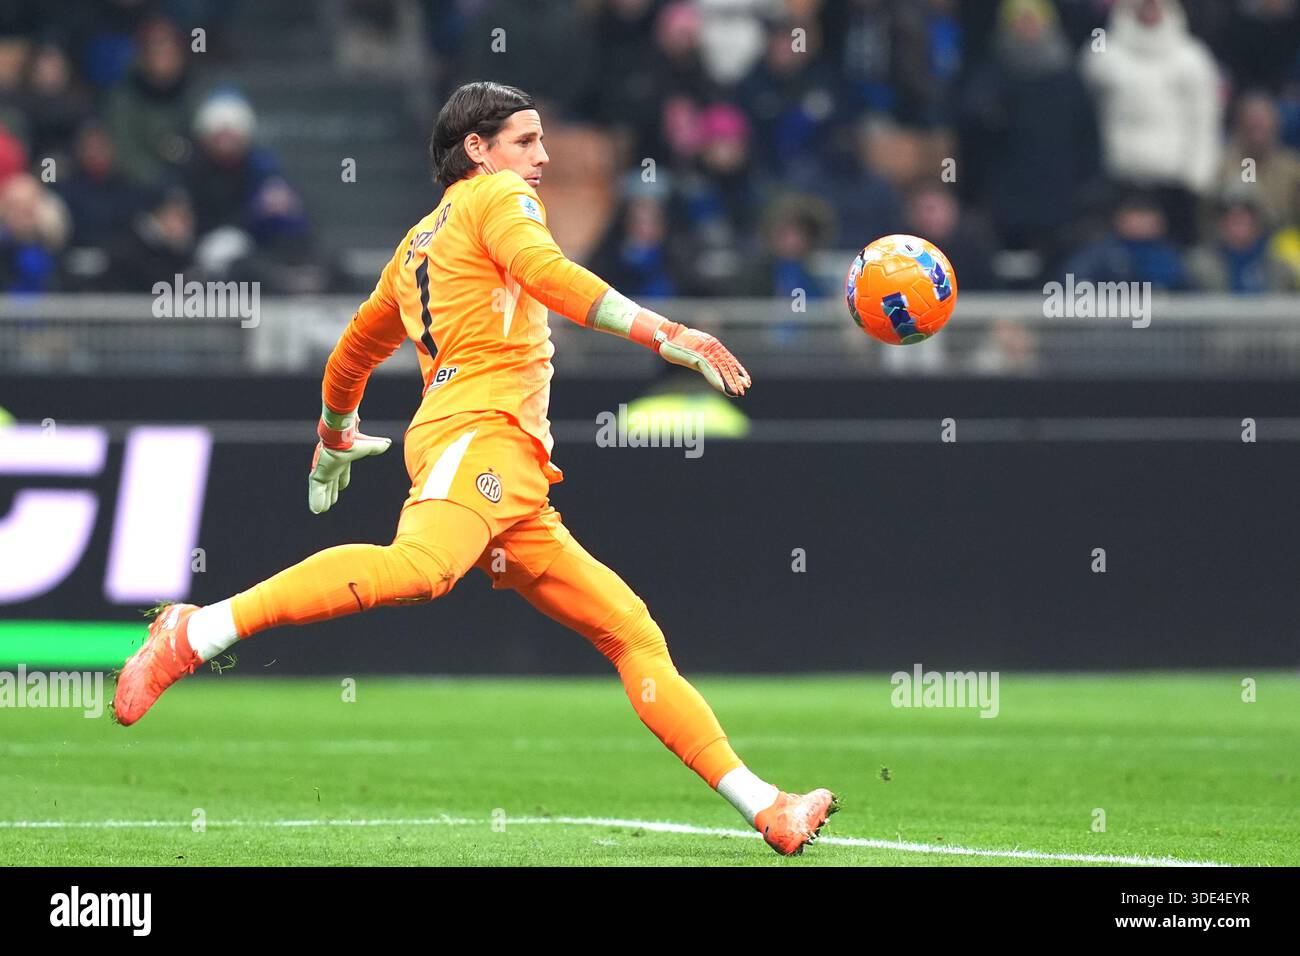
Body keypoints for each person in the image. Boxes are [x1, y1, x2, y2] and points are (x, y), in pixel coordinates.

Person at [110, 81, 837, 857]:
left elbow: (353, 350)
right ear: (478, 151)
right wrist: (666, 333)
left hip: (507, 461)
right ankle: (199, 628)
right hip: (478, 432)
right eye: (526, 141)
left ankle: (767, 806)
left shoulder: (417, 243)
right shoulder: (496, 199)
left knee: (630, 632)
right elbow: (547, 272)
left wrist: (333, 437)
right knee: (421, 569)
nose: (544, 158)